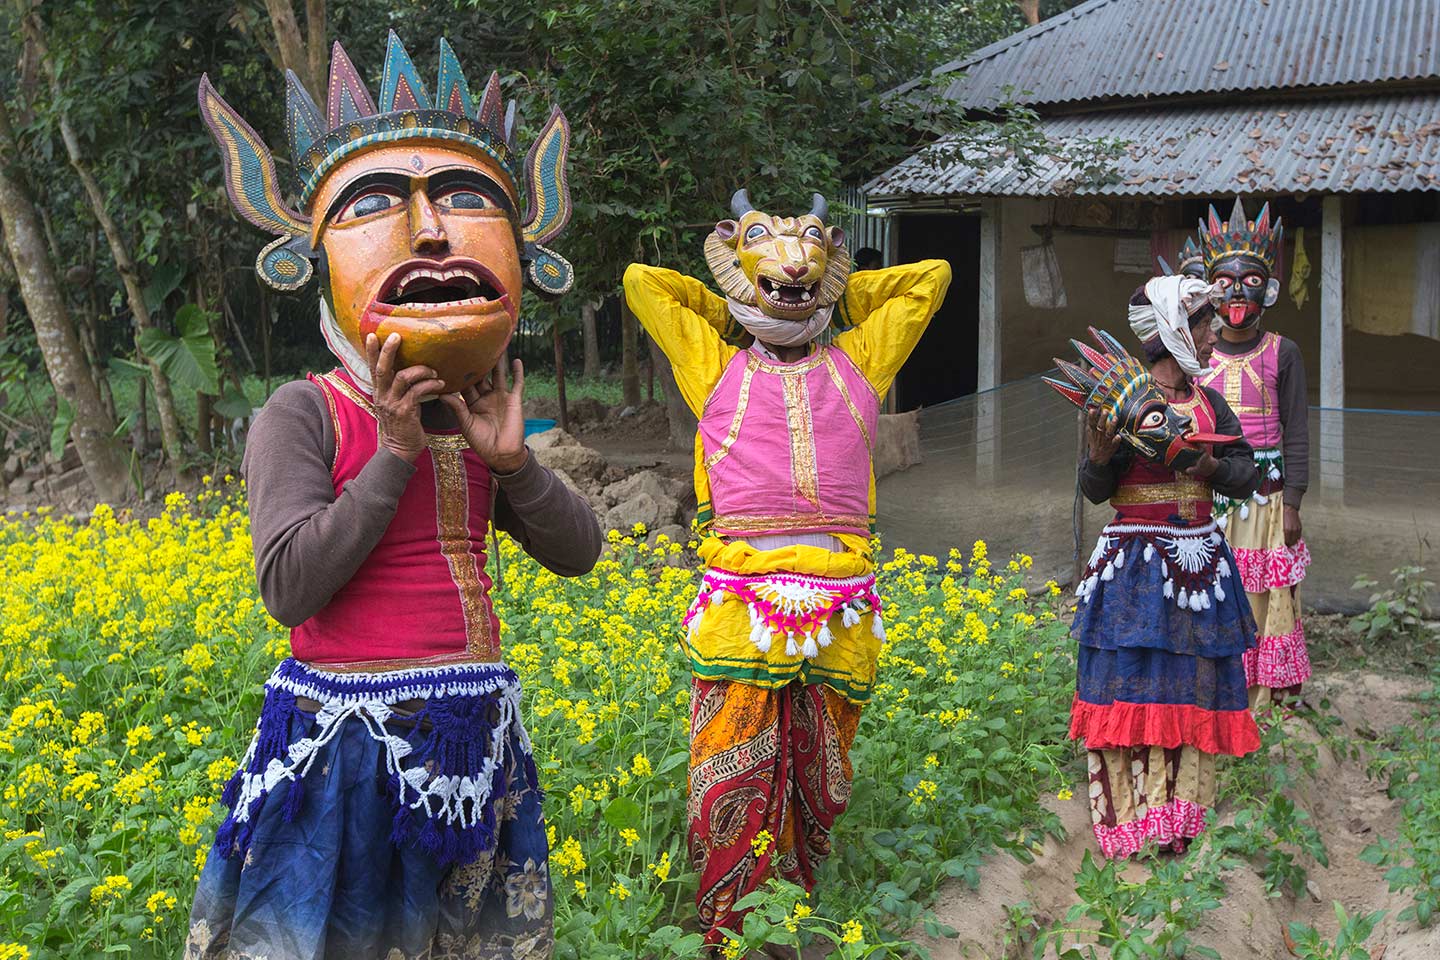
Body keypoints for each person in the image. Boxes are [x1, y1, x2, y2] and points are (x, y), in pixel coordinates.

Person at [187, 33, 599, 959]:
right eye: (374, 204)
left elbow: (581, 554)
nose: (431, 232)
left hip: (473, 745)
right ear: (309, 256)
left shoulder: (474, 414)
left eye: (469, 199)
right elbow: (289, 587)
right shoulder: (304, 411)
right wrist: (395, 453)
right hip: (348, 761)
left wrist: (515, 465)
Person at [624, 190, 949, 940]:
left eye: (809, 254)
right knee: (731, 768)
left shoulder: (861, 360)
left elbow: (929, 279)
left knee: (819, 777)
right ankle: (732, 929)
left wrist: (839, 287)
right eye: (773, 258)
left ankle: (792, 909)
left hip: (839, 605)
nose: (793, 272)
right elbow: (643, 282)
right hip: (744, 603)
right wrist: (733, 300)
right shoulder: (714, 363)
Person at [1045, 276, 1261, 858]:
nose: (1214, 336)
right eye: (1205, 325)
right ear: (1175, 331)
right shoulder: (1121, 402)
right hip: (1137, 566)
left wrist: (1206, 467)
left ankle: (1178, 821)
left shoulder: (1210, 403)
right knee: (1133, 678)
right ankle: (1133, 822)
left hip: (1199, 560)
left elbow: (1247, 475)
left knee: (1191, 680)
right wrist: (1097, 457)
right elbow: (1096, 490)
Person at [1195, 199, 1312, 710]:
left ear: (1270, 290)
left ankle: (1262, 697)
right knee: (1213, 591)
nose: (1238, 292)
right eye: (1225, 282)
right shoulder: (1197, 356)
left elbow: (1298, 432)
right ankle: (1216, 691)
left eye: (1251, 281)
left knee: (1261, 596)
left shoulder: (1283, 352)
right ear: (1209, 291)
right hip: (1211, 492)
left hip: (1266, 502)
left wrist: (1294, 503)